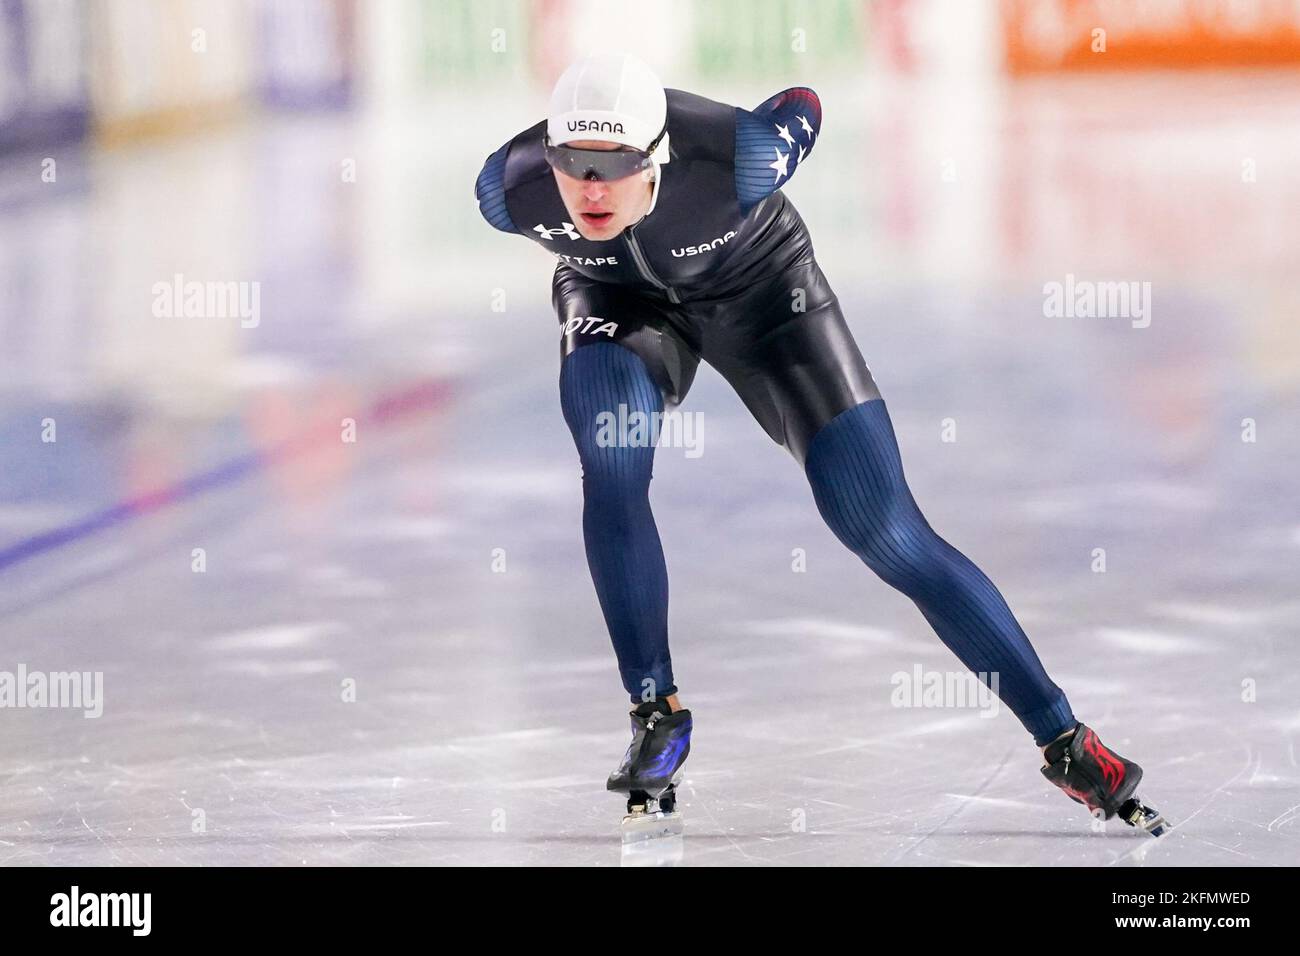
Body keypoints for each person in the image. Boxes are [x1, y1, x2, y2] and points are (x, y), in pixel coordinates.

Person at [474, 54, 1166, 835]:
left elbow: (802, 100)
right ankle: (655, 711)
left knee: (884, 528)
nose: (592, 189)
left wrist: (774, 129)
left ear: (659, 154)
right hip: (616, 299)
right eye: (574, 163)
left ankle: (1065, 740)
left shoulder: (739, 156)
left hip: (767, 294)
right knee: (612, 463)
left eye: (615, 165)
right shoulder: (510, 188)